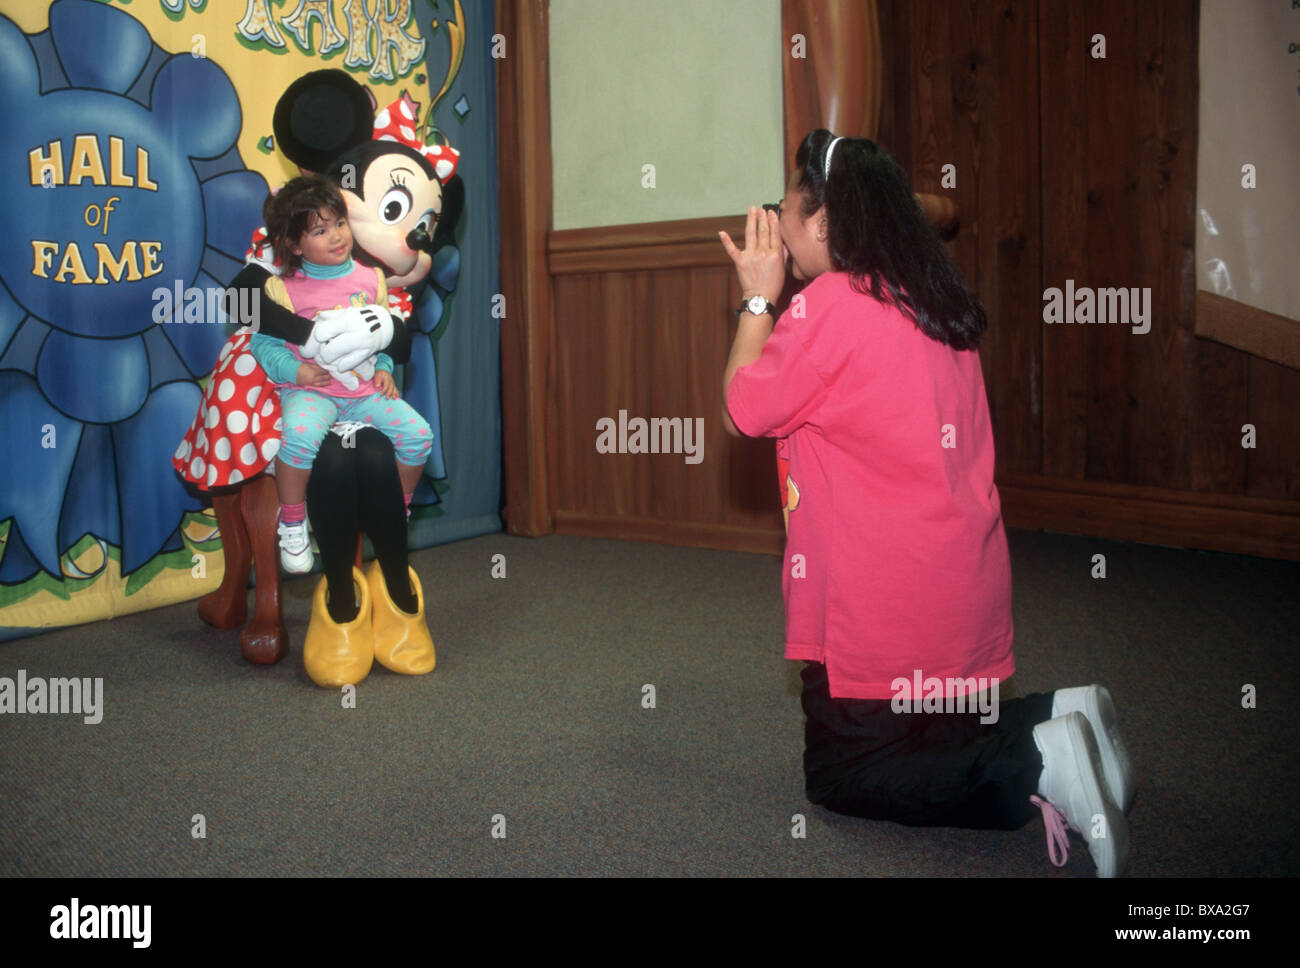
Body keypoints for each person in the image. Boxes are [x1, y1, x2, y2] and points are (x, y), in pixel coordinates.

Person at [720, 129, 1135, 876]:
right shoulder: (936, 297)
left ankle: (1034, 761)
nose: (774, 225)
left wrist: (757, 294)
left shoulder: (832, 305)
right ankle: (1055, 713)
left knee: (842, 776)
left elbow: (743, 410)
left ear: (821, 223)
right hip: (962, 610)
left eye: (783, 209)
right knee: (928, 735)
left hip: (881, 619)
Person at [249, 175, 434, 576]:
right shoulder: (282, 288)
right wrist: (296, 370)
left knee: (419, 435)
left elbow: (384, 338)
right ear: (295, 245)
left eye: (339, 224)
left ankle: (396, 510)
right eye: (320, 230)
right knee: (298, 437)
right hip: (311, 392)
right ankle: (294, 522)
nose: (336, 236)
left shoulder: (372, 279)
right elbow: (263, 346)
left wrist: (385, 370)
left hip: (364, 392)